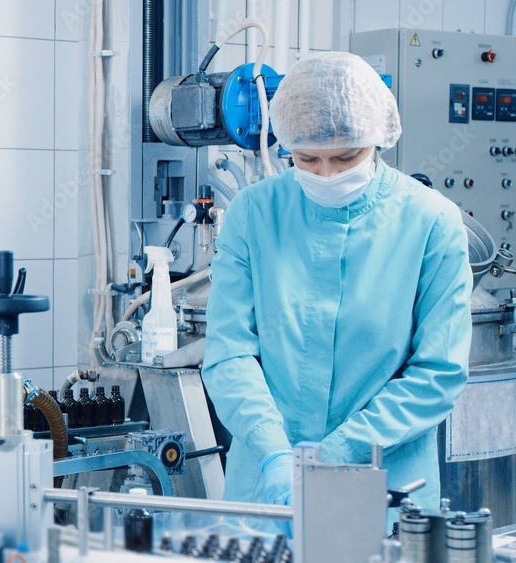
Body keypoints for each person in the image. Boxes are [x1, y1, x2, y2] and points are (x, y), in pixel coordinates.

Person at [202, 52, 472, 527]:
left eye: (346, 157)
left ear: (377, 140)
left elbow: (438, 372)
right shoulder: (253, 214)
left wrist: (340, 450)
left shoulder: (431, 222)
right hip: (267, 494)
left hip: (385, 490)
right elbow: (229, 353)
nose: (326, 174)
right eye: (307, 158)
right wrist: (273, 454)